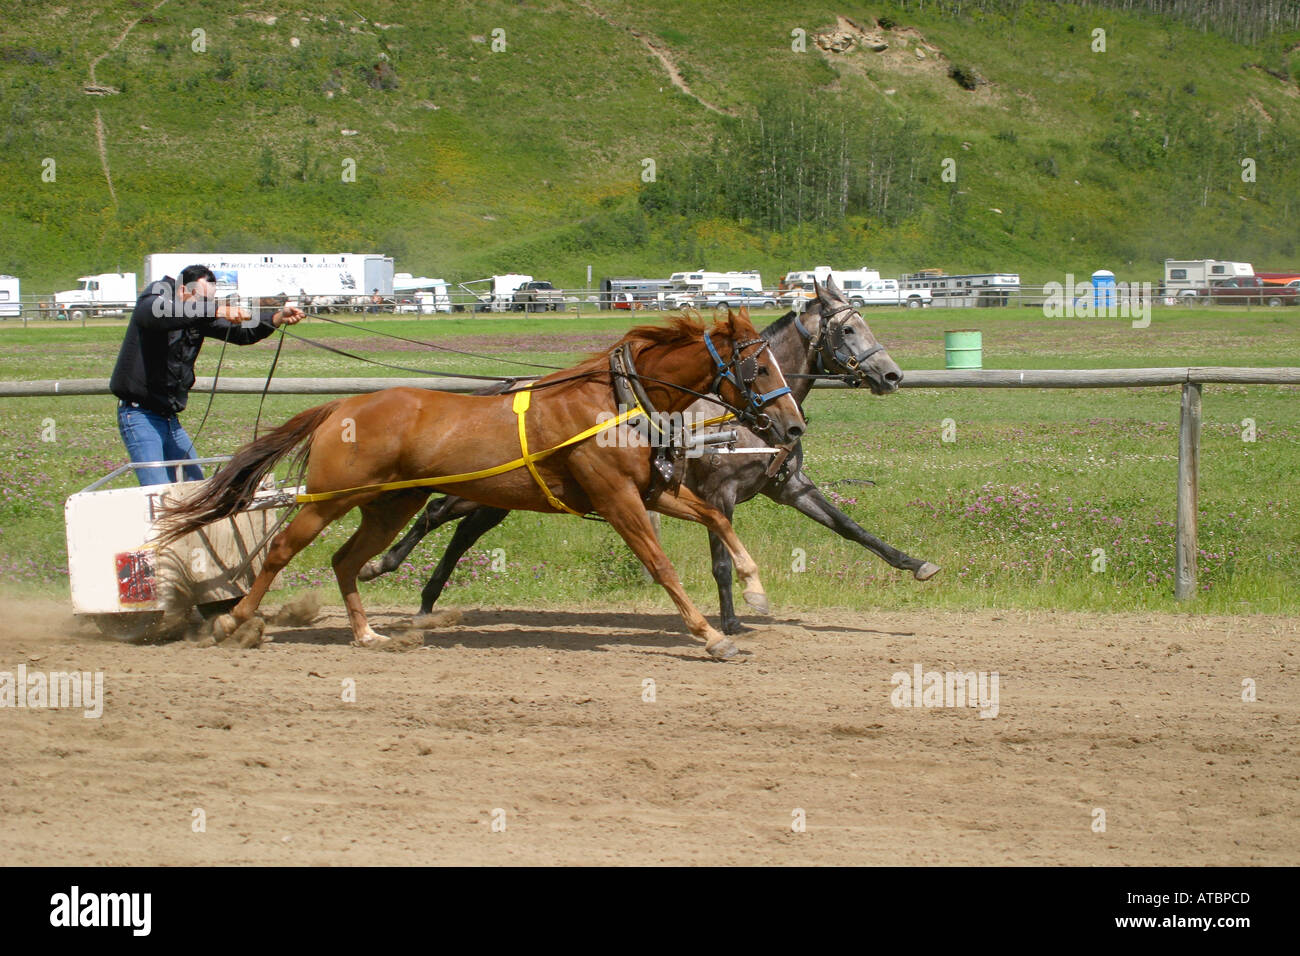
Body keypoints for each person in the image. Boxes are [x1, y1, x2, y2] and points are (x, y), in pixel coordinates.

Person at [109, 264, 304, 485]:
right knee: (156, 491)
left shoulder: (199, 314)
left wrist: (277, 318)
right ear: (183, 289)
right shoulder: (157, 296)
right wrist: (216, 309)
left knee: (193, 486)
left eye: (209, 300)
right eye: (202, 299)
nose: (205, 305)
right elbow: (154, 314)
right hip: (139, 415)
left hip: (169, 418)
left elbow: (241, 332)